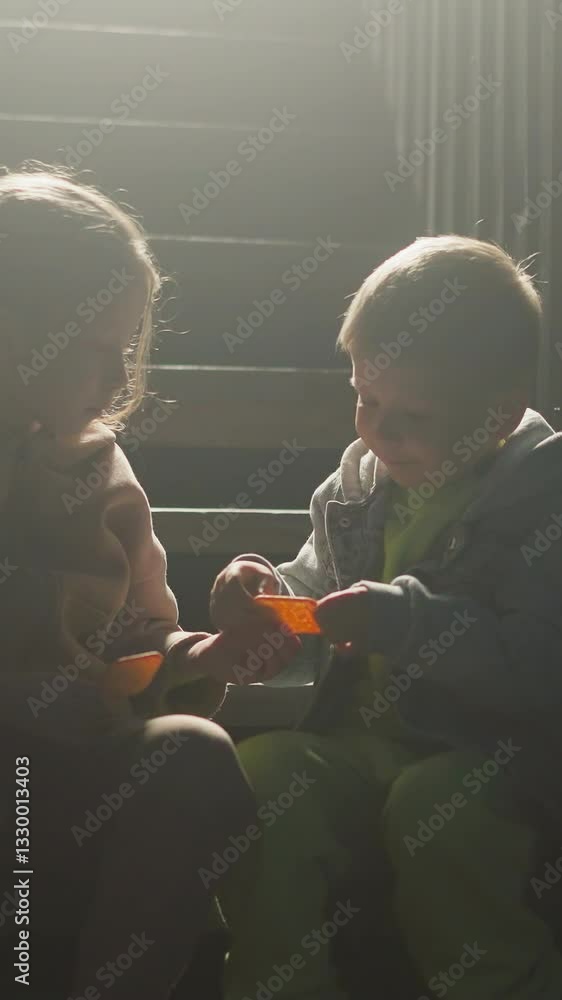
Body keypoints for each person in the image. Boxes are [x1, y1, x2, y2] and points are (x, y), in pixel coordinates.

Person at [211, 235, 562, 999]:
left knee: (438, 805)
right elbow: (319, 582)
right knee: (264, 773)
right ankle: (279, 980)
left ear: (499, 417)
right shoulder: (361, 484)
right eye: (366, 400)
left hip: (494, 759)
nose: (379, 430)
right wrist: (266, 592)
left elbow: (538, 665)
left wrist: (410, 625)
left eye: (412, 416)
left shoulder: (540, 502)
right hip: (366, 744)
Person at [0, 164, 294, 999]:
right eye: (98, 351)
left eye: (129, 352)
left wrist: (200, 650)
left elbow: (134, 634)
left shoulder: (100, 469)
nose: (120, 383)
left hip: (71, 773)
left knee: (190, 756)